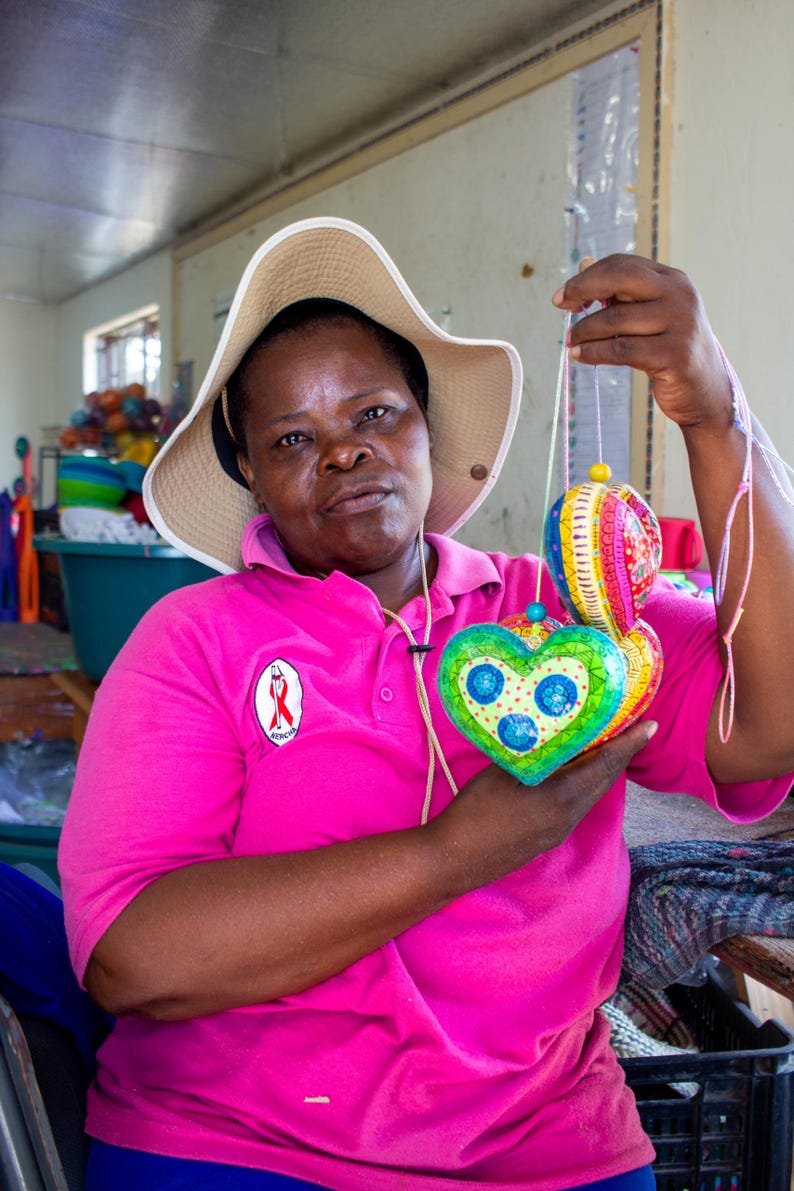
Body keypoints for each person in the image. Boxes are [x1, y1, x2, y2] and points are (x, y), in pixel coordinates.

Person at [59, 217, 794, 1191]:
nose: (342, 453)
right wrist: (455, 851)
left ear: (425, 427)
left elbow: (770, 729)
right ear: (252, 481)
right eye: (291, 438)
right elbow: (131, 957)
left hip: (543, 1145)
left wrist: (712, 415)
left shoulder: (570, 616)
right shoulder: (195, 640)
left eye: (373, 413)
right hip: (231, 1140)